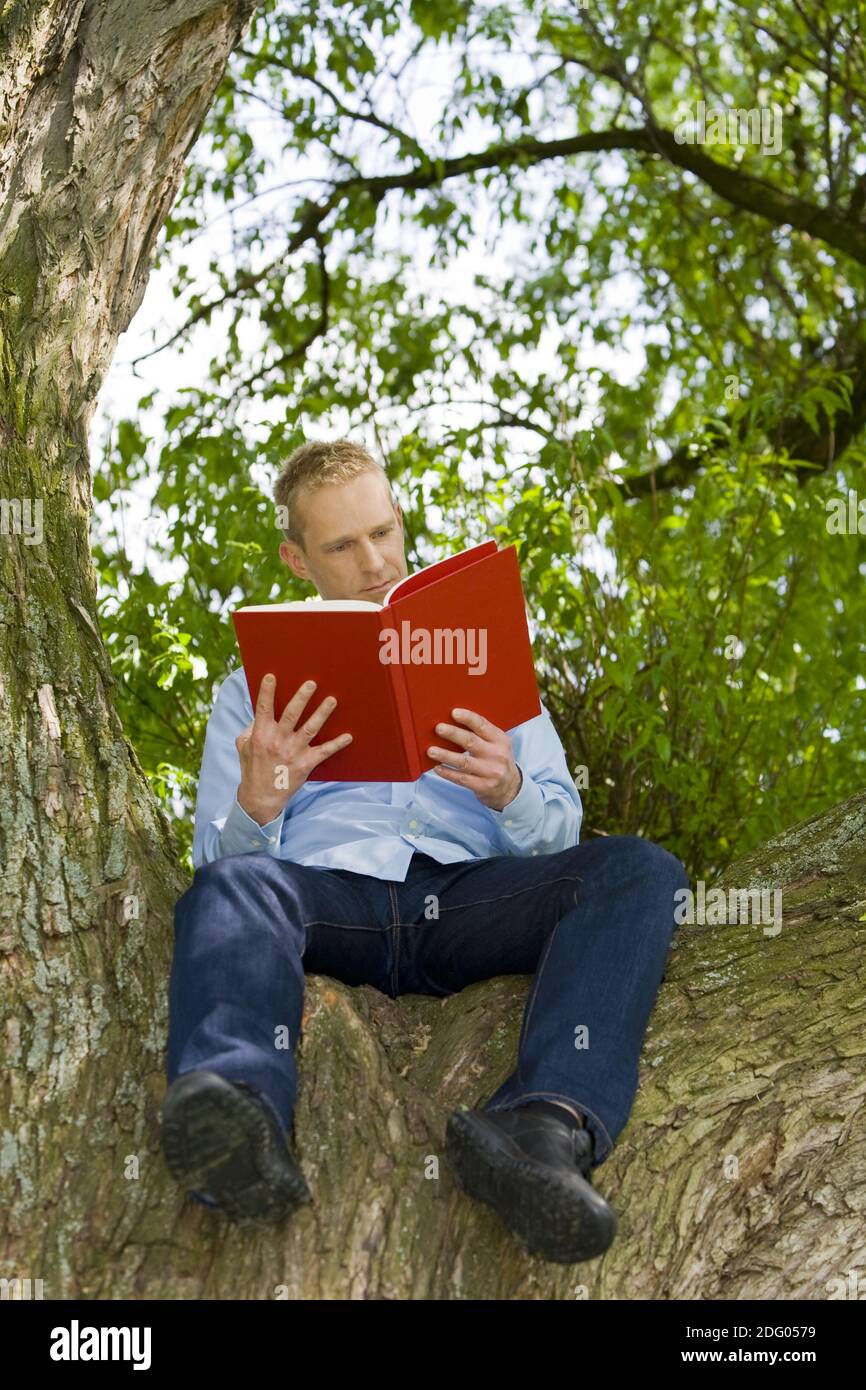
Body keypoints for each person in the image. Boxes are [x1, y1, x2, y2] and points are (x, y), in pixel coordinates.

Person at [161, 438, 689, 1264]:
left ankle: (544, 1128)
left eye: (384, 531)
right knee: (233, 890)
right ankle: (238, 1112)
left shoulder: (485, 648)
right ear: (296, 559)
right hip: (325, 899)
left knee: (640, 870)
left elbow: (559, 823)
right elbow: (216, 867)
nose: (374, 562)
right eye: (342, 545)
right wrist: (259, 802)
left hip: (468, 899)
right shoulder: (248, 685)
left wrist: (506, 785)